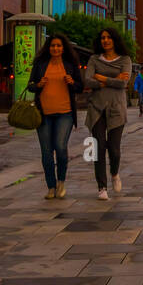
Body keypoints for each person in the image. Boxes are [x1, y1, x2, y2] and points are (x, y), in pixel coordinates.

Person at [26, 33, 82, 199]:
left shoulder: (70, 65)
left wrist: (72, 82)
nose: (55, 48)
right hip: (44, 114)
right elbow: (30, 86)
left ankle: (61, 182)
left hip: (65, 113)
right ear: (48, 48)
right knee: (46, 152)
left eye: (58, 46)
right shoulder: (41, 64)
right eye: (52, 46)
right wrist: (38, 85)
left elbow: (80, 86)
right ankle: (51, 186)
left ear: (63, 48)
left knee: (61, 147)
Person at [85, 28, 132, 201]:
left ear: (115, 40)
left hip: (117, 109)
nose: (105, 40)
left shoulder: (125, 59)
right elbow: (88, 80)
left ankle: (114, 173)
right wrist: (112, 79)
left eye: (109, 37)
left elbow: (123, 83)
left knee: (114, 149)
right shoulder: (94, 59)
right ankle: (101, 186)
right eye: (102, 37)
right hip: (96, 109)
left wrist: (102, 78)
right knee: (98, 147)